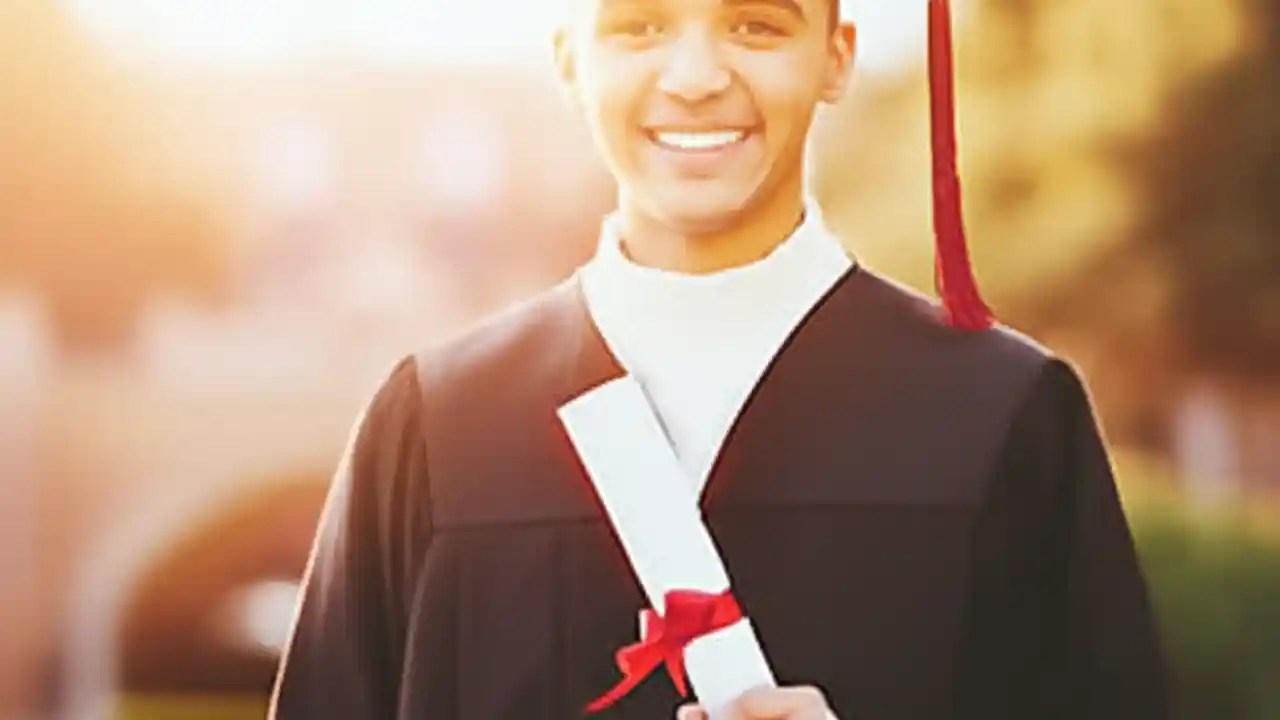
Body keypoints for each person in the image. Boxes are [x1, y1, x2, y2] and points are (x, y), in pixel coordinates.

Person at [269, 0, 1170, 718]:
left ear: (836, 56)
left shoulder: (997, 417)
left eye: (756, 24)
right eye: (639, 25)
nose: (696, 78)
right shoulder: (437, 425)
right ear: (570, 58)